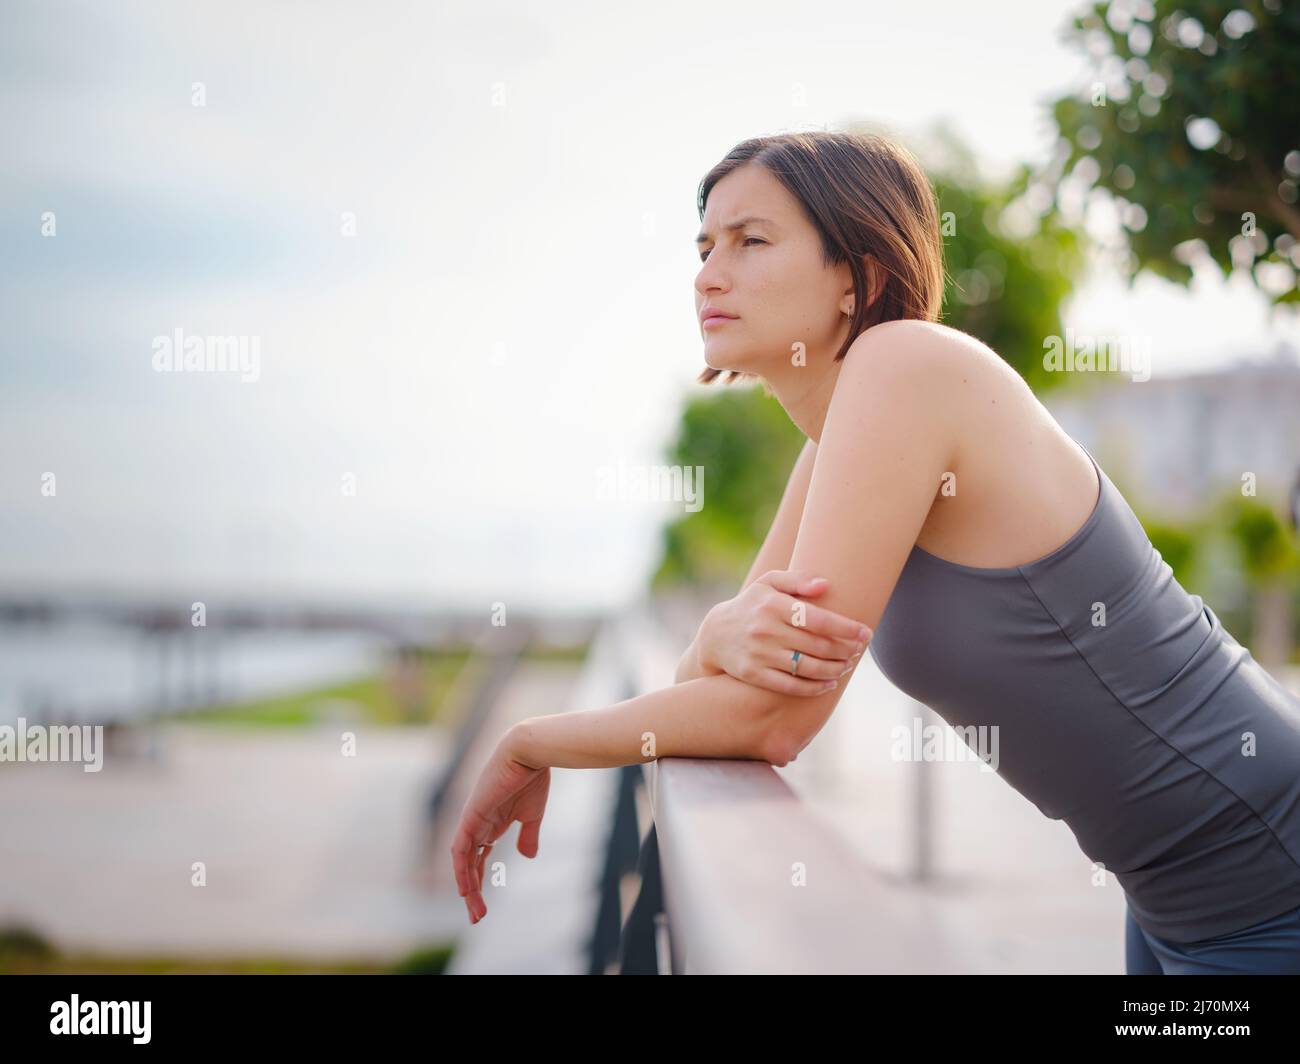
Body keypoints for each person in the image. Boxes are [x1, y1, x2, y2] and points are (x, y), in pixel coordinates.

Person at [450, 130, 1300, 973]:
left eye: (752, 241)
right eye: (706, 244)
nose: (708, 272)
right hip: (1170, 901)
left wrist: (530, 741)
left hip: (1265, 879)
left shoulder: (905, 366)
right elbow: (722, 698)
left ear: (861, 279)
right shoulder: (830, 448)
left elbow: (772, 722)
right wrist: (716, 633)